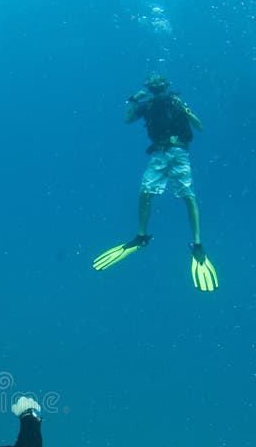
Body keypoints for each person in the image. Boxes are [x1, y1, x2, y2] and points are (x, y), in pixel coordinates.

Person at [92, 72, 218, 292]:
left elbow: (199, 126)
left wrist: (184, 109)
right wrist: (134, 99)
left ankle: (197, 244)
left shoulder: (176, 102)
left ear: (165, 87)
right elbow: (128, 119)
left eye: (159, 88)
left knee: (188, 196)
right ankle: (141, 236)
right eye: (154, 88)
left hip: (178, 152)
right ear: (150, 89)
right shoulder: (147, 105)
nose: (158, 91)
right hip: (159, 153)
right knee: (147, 193)